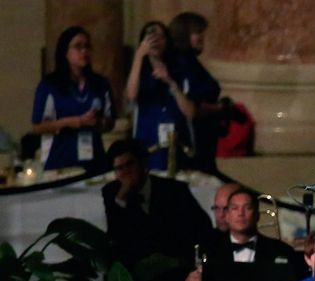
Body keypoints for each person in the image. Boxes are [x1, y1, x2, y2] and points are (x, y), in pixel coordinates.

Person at [101, 138, 210, 281]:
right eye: (120, 168)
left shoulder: (174, 190)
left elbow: (201, 226)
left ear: (142, 163)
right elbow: (116, 234)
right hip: (135, 266)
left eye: (130, 164)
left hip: (172, 262)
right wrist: (121, 200)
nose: (126, 172)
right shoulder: (112, 192)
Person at [32, 26, 114, 172]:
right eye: (78, 47)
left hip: (94, 158)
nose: (84, 51)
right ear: (65, 52)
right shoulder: (50, 85)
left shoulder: (100, 83)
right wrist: (73, 122)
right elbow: (38, 126)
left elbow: (110, 121)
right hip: (61, 158)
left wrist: (98, 123)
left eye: (87, 46)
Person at [125, 20, 196, 169]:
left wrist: (170, 82)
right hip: (148, 145)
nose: (155, 41)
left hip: (178, 145)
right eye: (150, 37)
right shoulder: (139, 72)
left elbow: (190, 112)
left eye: (160, 37)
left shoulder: (179, 70)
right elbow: (131, 96)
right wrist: (139, 56)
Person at [167, 12, 223, 171]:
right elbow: (193, 105)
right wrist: (220, 109)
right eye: (197, 32)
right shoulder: (183, 64)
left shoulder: (191, 62)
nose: (202, 37)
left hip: (204, 140)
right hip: (193, 142)